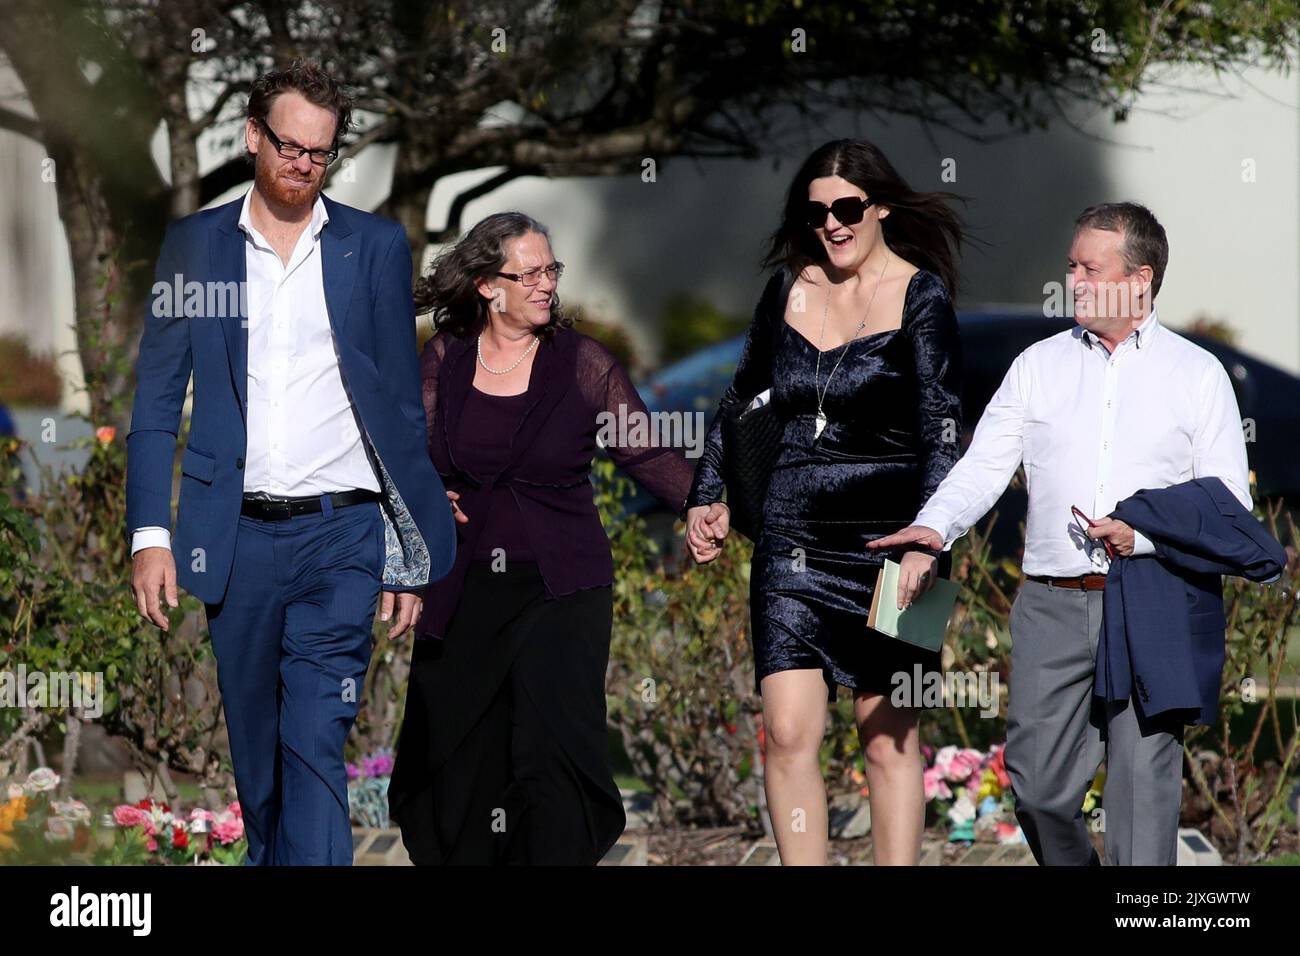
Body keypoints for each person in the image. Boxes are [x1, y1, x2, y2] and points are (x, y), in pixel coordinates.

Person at [126, 61, 456, 865]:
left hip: (340, 537)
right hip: (231, 540)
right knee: (261, 767)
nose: (303, 163)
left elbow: (402, 412)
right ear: (251, 137)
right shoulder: (196, 247)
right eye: (288, 145)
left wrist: (403, 556)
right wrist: (149, 535)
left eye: (320, 151)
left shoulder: (371, 248)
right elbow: (158, 403)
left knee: (314, 738)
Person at [872, 201, 1251, 865]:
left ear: (1140, 279)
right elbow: (982, 467)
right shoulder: (1037, 366)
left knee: (1141, 796)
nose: (1073, 280)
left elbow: (1228, 507)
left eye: (1090, 268)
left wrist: (1148, 538)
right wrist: (932, 528)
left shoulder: (1197, 376)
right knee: (1040, 789)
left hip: (1154, 597)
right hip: (1051, 602)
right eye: (1070, 265)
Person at [685, 139, 966, 865]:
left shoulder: (921, 295)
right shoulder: (790, 287)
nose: (833, 225)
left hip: (893, 543)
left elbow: (943, 427)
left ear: (880, 207)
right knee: (785, 733)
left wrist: (927, 538)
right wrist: (705, 492)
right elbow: (743, 393)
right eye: (818, 213)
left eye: (847, 208)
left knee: (889, 739)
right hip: (791, 534)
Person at [387, 212, 696, 865]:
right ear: (485, 286)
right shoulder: (444, 359)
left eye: (551, 269)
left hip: (561, 590)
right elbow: (405, 454)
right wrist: (421, 498)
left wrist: (708, 502)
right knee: (460, 765)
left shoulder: (581, 363)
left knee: (549, 761)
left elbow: (643, 453)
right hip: (461, 592)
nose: (546, 284)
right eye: (528, 272)